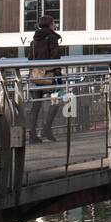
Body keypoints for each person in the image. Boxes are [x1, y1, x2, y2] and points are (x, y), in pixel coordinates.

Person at [26, 15, 63, 143]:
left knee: (36, 105)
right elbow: (55, 56)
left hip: (36, 76)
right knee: (56, 100)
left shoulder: (34, 40)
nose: (54, 25)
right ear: (50, 24)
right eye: (53, 23)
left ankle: (32, 134)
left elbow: (30, 58)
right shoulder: (52, 38)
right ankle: (46, 129)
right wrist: (57, 73)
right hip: (50, 76)